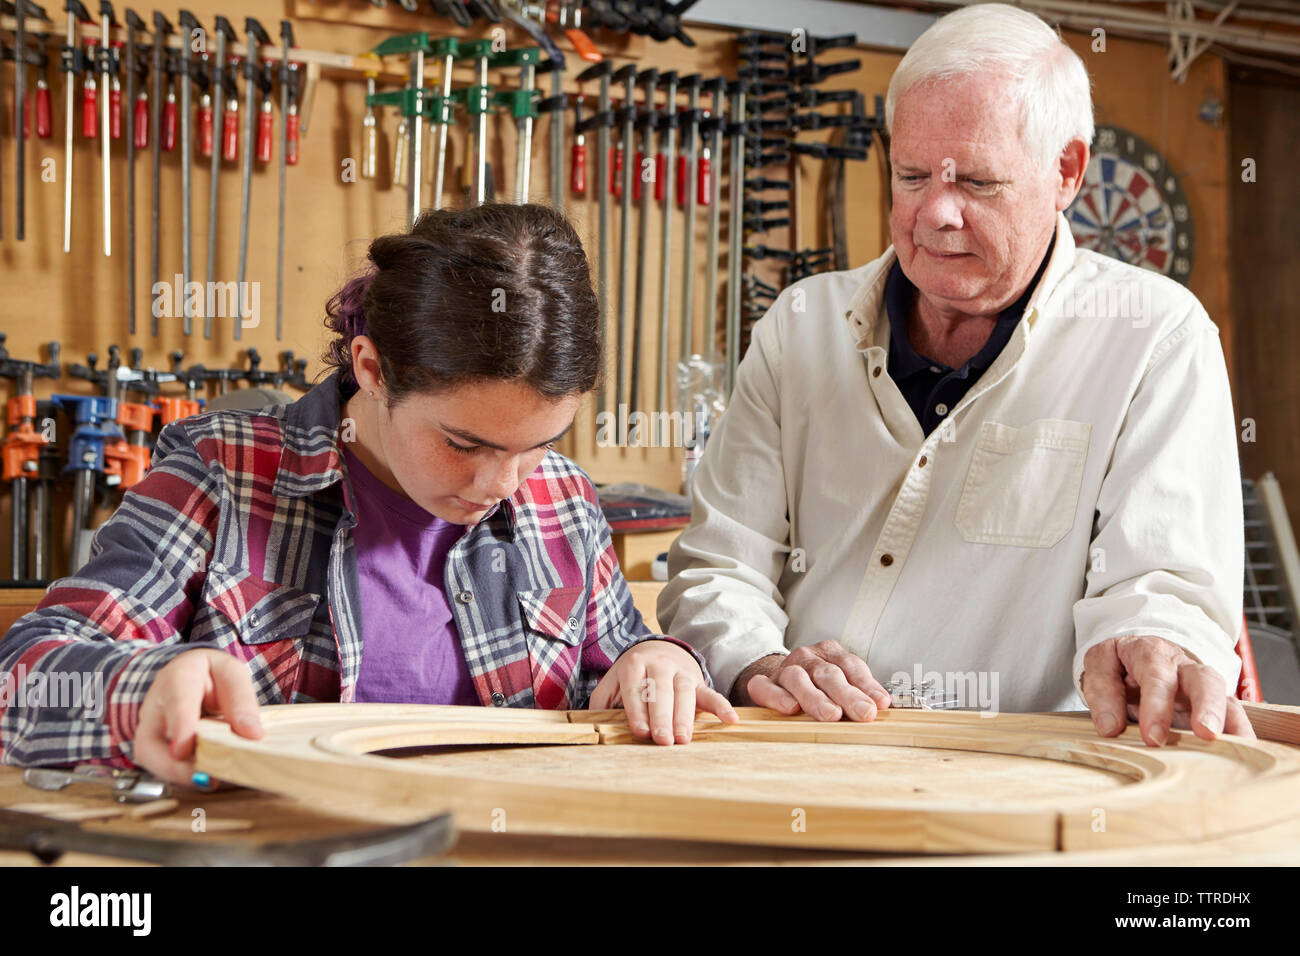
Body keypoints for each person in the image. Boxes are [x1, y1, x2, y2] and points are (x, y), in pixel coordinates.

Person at [658, 3, 1251, 745]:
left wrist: (1151, 639)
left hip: (1023, 787)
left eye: (976, 182)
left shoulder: (1153, 337)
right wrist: (760, 662)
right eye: (911, 176)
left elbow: (1163, 584)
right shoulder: (800, 326)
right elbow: (719, 564)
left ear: (1065, 171)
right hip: (798, 757)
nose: (936, 213)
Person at [0, 202, 736, 787]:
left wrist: (659, 661)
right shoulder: (223, 468)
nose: (500, 484)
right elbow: (23, 684)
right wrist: (141, 692)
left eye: (538, 446)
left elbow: (619, 665)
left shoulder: (564, 499)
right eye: (465, 443)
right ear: (373, 368)